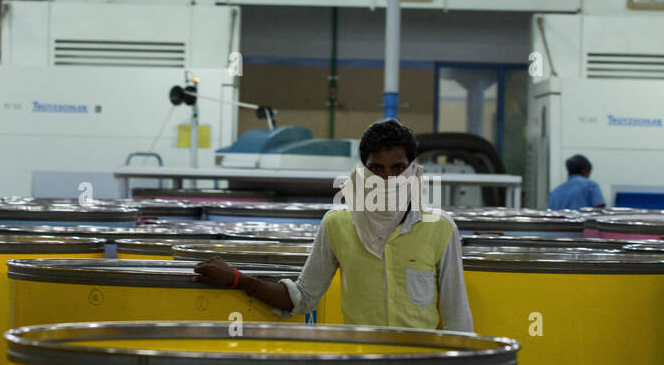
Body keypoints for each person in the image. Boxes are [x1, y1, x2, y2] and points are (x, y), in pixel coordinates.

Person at [193, 119, 473, 332]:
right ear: (363, 171)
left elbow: (456, 316)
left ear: (412, 171)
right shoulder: (338, 224)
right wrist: (238, 279)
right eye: (377, 168)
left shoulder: (439, 228)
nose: (387, 178)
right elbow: (302, 297)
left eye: (397, 168)